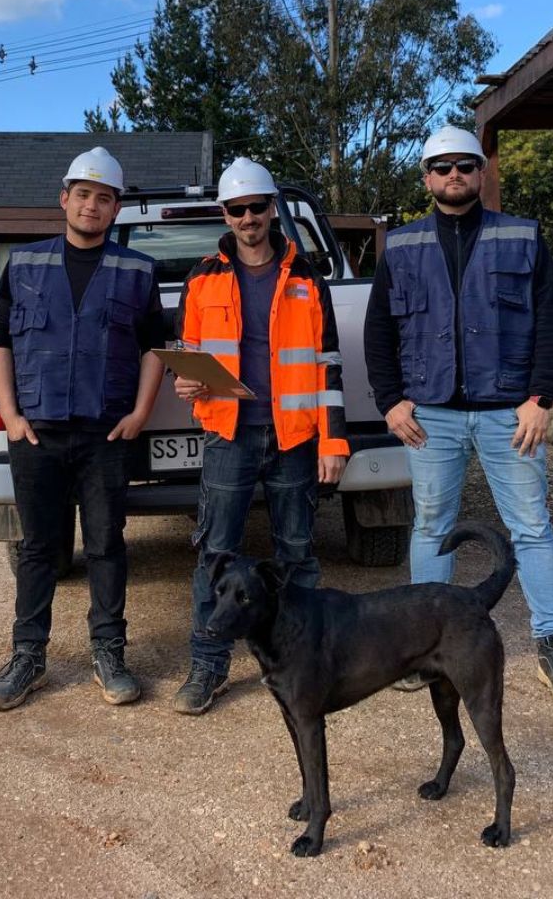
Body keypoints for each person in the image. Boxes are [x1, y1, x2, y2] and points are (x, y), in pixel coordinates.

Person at [363, 126, 553, 712]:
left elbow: (552, 322)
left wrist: (542, 397)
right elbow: (379, 332)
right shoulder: (403, 246)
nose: (453, 176)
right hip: (431, 415)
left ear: (480, 172)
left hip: (508, 412)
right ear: (426, 178)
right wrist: (390, 400)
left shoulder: (521, 236)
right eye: (441, 168)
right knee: (431, 525)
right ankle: (421, 647)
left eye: (464, 165)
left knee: (532, 526)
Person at [0, 147, 165, 710]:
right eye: (82, 194)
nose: (92, 205)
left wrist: (139, 414)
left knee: (107, 544)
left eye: (103, 198)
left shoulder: (137, 271)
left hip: (106, 435)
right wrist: (10, 416)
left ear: (116, 209)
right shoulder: (25, 263)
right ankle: (27, 657)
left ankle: (109, 654)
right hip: (36, 432)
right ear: (64, 199)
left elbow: (158, 347)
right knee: (38, 547)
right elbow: (0, 343)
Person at [172, 157, 350, 716]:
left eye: (256, 207)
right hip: (230, 435)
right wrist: (186, 382)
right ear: (223, 214)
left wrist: (334, 441)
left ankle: (308, 658)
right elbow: (189, 354)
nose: (247, 218)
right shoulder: (200, 279)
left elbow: (329, 365)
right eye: (236, 209)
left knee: (297, 554)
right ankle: (207, 667)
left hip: (294, 436)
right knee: (216, 555)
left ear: (274, 209)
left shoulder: (306, 277)